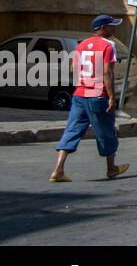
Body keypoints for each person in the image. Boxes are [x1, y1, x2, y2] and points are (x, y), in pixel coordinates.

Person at [49, 14, 129, 182]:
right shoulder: (109, 45)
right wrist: (112, 97)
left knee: (72, 130)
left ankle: (58, 170)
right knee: (107, 131)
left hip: (80, 94)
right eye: (110, 26)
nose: (114, 28)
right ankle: (111, 169)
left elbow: (72, 69)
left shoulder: (81, 45)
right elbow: (108, 72)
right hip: (98, 95)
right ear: (101, 28)